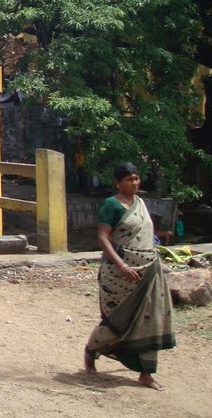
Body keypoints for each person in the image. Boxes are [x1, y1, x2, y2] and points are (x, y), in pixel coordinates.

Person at [83, 162, 175, 390]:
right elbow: (103, 238)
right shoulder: (111, 205)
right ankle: (92, 349)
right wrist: (122, 265)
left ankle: (146, 374)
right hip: (118, 274)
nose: (134, 183)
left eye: (136, 178)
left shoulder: (141, 203)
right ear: (118, 182)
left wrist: (161, 235)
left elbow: (143, 231)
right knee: (117, 320)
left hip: (148, 271)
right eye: (129, 179)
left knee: (150, 319)